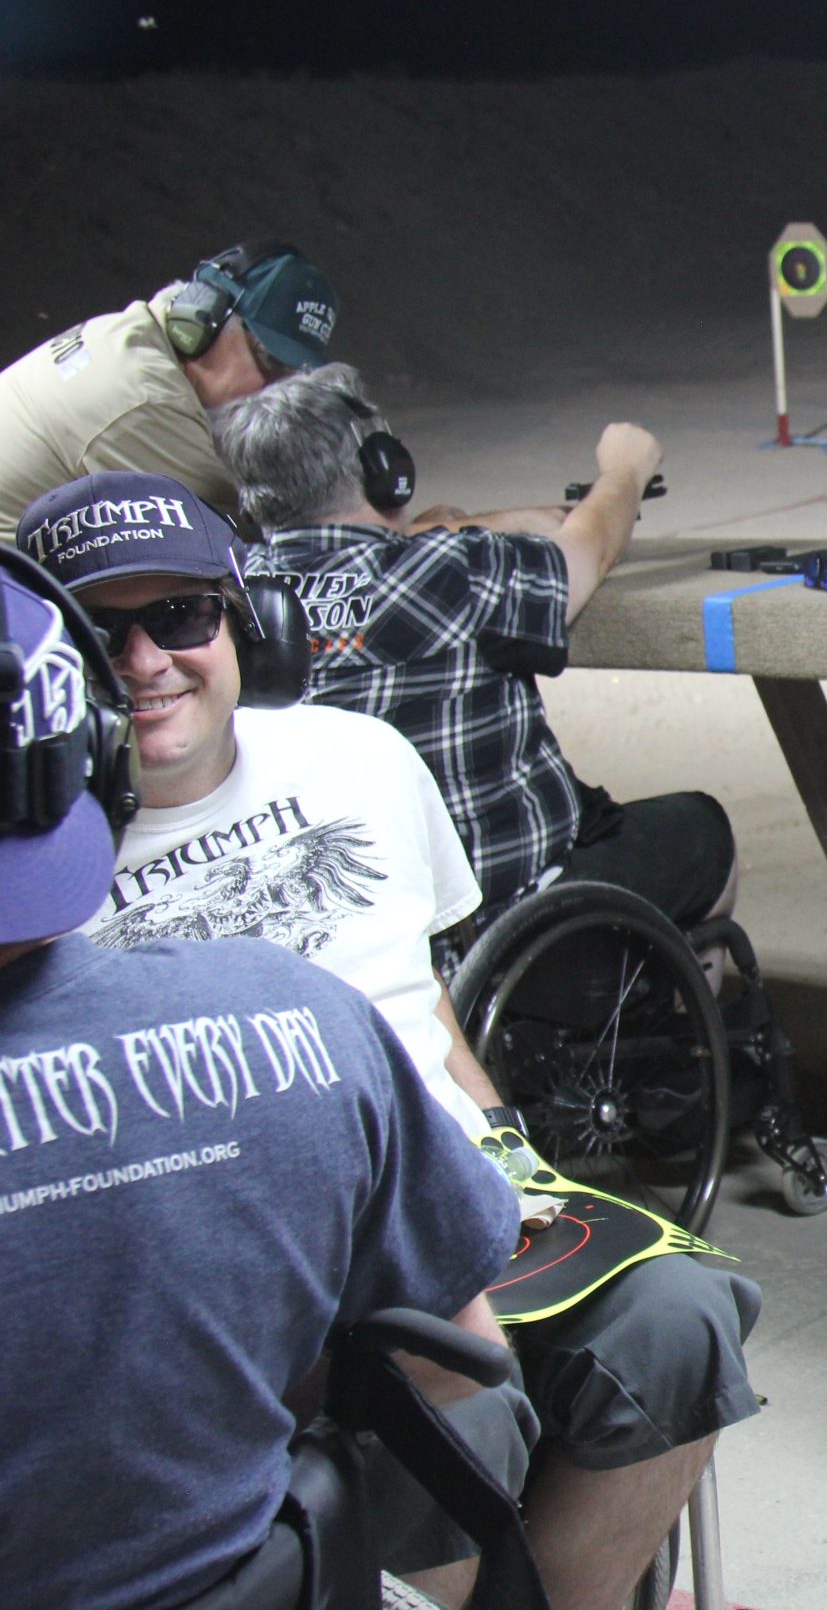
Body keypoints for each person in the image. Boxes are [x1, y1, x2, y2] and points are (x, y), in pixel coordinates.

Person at [18, 472, 761, 1610]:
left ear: (247, 627)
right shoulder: (41, 865)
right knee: (459, 1398)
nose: (147, 660)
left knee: (682, 1316)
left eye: (179, 618)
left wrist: (510, 1154)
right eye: (102, 634)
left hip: (460, 1192)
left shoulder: (358, 755)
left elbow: (424, 992)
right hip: (266, 1244)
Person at [0, 548, 524, 1610]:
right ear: (98, 767)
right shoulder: (301, 1015)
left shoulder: (356, 766)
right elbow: (465, 1362)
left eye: (182, 618)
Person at [207, 362, 735, 942]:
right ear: (387, 474)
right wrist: (623, 472)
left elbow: (346, 562)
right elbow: (592, 551)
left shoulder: (235, 600)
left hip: (351, 930)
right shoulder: (451, 573)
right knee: (705, 832)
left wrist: (486, 522)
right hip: (506, 919)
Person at [0, 242, 339, 535]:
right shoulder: (147, 399)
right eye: (267, 364)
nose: (272, 391)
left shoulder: (131, 337)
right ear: (205, 316)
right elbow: (251, 544)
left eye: (290, 377)